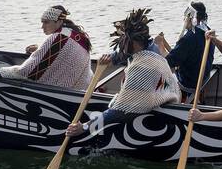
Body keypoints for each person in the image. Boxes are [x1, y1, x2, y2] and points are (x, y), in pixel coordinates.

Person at [66, 9, 179, 139]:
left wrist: (85, 127)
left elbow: (121, 111)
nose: (121, 45)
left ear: (134, 42)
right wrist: (111, 59)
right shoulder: (149, 47)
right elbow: (125, 54)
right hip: (167, 95)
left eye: (123, 41)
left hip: (155, 108)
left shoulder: (141, 67)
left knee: (119, 106)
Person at [0, 5, 92, 90]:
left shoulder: (57, 39)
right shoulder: (75, 34)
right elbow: (62, 52)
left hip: (65, 91)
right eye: (42, 22)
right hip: (83, 86)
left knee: (11, 71)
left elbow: (26, 72)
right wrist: (41, 49)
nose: (42, 26)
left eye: (46, 22)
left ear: (59, 22)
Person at [162, 1, 215, 100]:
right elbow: (180, 53)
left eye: (185, 16)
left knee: (163, 68)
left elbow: (168, 62)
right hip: (204, 76)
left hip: (190, 82)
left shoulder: (188, 38)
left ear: (191, 18)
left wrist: (160, 44)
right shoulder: (208, 30)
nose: (184, 19)